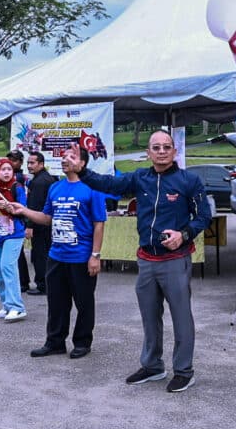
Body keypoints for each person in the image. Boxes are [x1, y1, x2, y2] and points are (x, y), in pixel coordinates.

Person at [76, 130, 212, 393]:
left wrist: (183, 234)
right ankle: (153, 366)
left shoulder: (189, 181)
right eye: (156, 147)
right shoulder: (140, 178)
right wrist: (83, 171)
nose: (161, 152)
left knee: (182, 318)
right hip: (147, 261)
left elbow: (203, 217)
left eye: (166, 147)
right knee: (150, 317)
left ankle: (184, 371)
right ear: (148, 153)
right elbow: (109, 185)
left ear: (174, 152)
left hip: (175, 260)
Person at [4, 147, 109, 358]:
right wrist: (22, 210)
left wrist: (95, 256)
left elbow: (99, 224)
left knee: (84, 302)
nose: (65, 160)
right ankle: (55, 342)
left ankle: (82, 342)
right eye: (63, 157)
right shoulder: (56, 188)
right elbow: (46, 218)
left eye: (71, 157)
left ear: (83, 163)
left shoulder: (92, 188)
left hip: (81, 256)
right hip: (57, 255)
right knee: (57, 303)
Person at [0, 154, 27, 322]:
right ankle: (6, 305)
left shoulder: (17, 187)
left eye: (9, 169)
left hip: (14, 233)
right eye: (3, 169)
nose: (6, 173)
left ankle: (17, 307)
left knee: (7, 266)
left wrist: (9, 207)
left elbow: (23, 209)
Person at [21, 150, 54, 296]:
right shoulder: (46, 178)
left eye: (32, 163)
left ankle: (43, 285)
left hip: (40, 224)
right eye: (28, 163)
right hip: (46, 223)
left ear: (41, 164)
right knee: (45, 254)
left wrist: (29, 226)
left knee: (40, 255)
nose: (29, 165)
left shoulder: (40, 182)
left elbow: (34, 205)